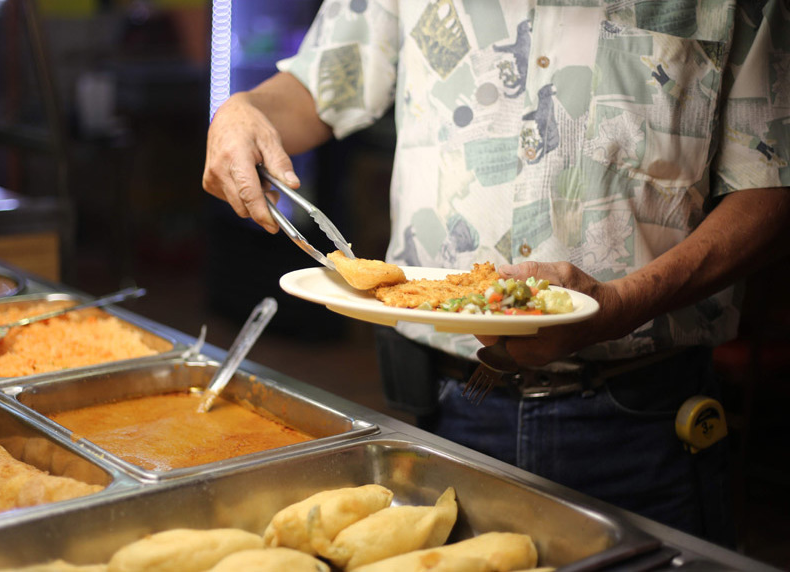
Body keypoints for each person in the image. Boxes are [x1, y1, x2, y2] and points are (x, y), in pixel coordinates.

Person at [203, 1, 790, 546]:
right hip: (443, 408)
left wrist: (623, 304)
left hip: (643, 417)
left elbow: (771, 189)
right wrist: (245, 111)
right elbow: (317, 88)